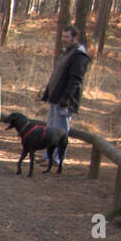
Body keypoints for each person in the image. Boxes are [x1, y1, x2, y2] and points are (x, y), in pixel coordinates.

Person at [40, 24, 90, 164]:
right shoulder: (67, 52)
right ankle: (48, 155)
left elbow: (75, 80)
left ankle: (56, 158)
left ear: (75, 38)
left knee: (61, 130)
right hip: (55, 97)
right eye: (63, 36)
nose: (64, 39)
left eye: (67, 37)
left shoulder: (79, 55)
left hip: (65, 100)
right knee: (51, 127)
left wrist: (66, 98)